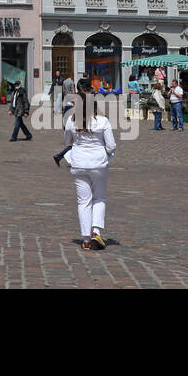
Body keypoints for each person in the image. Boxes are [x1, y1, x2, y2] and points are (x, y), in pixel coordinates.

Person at [64, 80, 116, 250]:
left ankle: (85, 239)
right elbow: (111, 145)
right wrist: (107, 155)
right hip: (98, 164)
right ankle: (96, 232)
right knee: (99, 197)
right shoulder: (102, 121)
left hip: (78, 163)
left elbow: (67, 142)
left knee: (83, 202)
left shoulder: (71, 121)